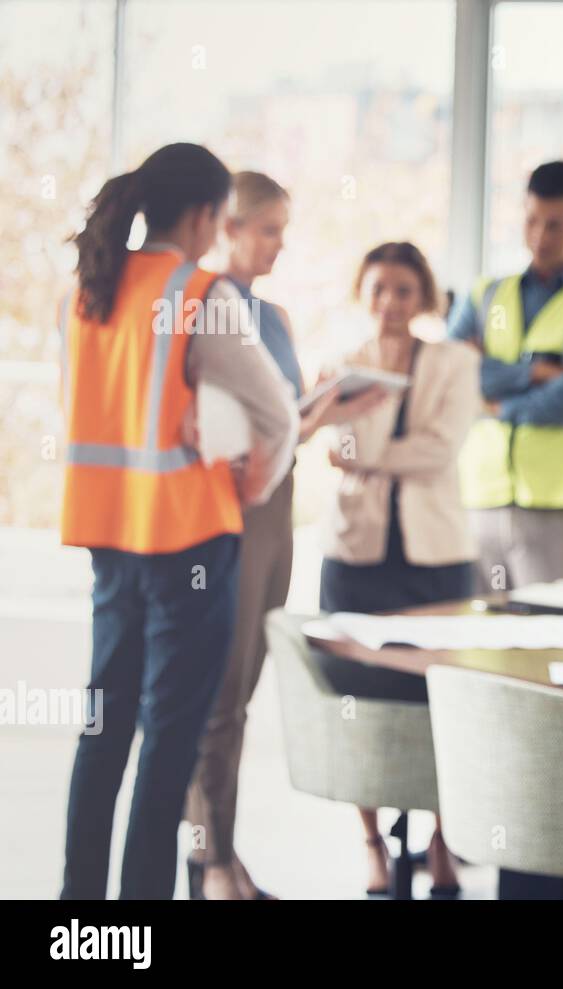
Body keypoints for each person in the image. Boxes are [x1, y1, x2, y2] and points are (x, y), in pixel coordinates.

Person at [57, 143, 299, 899]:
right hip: (190, 545)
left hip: (109, 542)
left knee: (103, 734)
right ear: (202, 217)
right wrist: (252, 480)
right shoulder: (200, 292)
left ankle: (82, 916)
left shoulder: (91, 287)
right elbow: (279, 416)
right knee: (168, 743)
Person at [183, 172, 387, 900]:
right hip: (227, 509)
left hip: (277, 507)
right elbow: (224, 425)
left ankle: (223, 852)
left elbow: (283, 419)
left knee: (240, 692)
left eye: (283, 230)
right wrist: (311, 420)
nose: (278, 244)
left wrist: (327, 411)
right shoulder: (200, 304)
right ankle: (210, 861)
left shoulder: (273, 315)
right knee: (217, 693)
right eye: (267, 229)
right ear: (228, 227)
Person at [315, 242, 481, 896]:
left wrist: (369, 450)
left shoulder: (455, 361)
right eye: (379, 289)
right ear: (365, 290)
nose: (390, 303)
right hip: (357, 556)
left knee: (441, 701)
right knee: (363, 701)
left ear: (425, 298)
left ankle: (443, 839)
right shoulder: (342, 364)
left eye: (404, 291)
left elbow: (440, 451)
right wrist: (374, 442)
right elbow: (339, 448)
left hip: (434, 559)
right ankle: (371, 842)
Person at [449, 160, 563, 593]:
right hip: (481, 502)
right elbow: (452, 370)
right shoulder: (485, 294)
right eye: (532, 221)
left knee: (555, 646)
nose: (540, 237)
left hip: (560, 510)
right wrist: (535, 372)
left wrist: (500, 403)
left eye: (556, 225)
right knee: (476, 648)